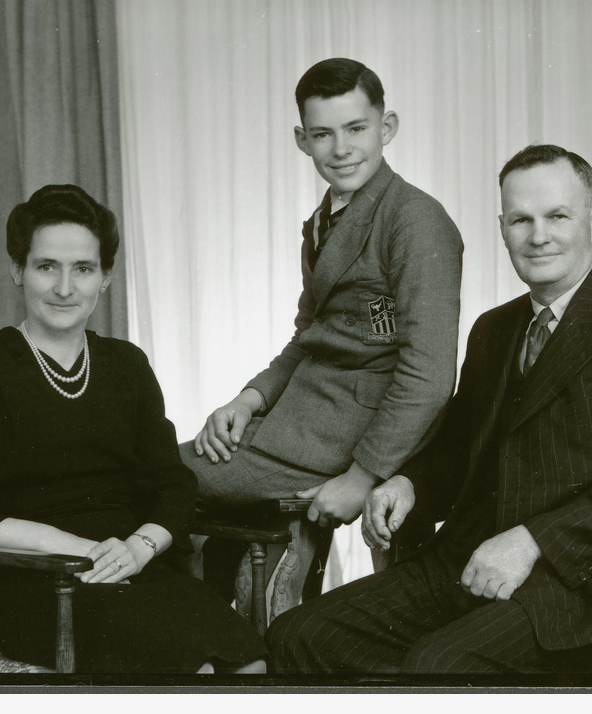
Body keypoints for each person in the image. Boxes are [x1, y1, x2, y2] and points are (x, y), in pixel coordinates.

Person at [266, 144, 592, 673]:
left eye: (557, 216)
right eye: (521, 219)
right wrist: (411, 484)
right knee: (299, 635)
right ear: (503, 228)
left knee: (438, 668)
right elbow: (458, 448)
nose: (538, 235)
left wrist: (530, 543)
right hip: (466, 560)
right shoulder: (494, 328)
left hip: (580, 583)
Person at [0, 184, 267, 674]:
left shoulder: (126, 365)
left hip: (133, 567)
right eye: (46, 267)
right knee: (194, 673)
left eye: (83, 269)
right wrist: (77, 549)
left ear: (105, 277)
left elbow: (172, 483)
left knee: (250, 663)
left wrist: (140, 547)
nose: (65, 287)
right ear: (18, 269)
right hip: (40, 583)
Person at [181, 58, 463, 588]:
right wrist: (250, 398)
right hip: (303, 415)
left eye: (356, 128)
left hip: (358, 432)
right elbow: (306, 339)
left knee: (162, 477)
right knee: (163, 474)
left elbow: (429, 376)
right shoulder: (322, 220)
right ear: (301, 140)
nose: (341, 149)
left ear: (387, 127)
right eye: (322, 134)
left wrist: (362, 477)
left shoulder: (416, 220)